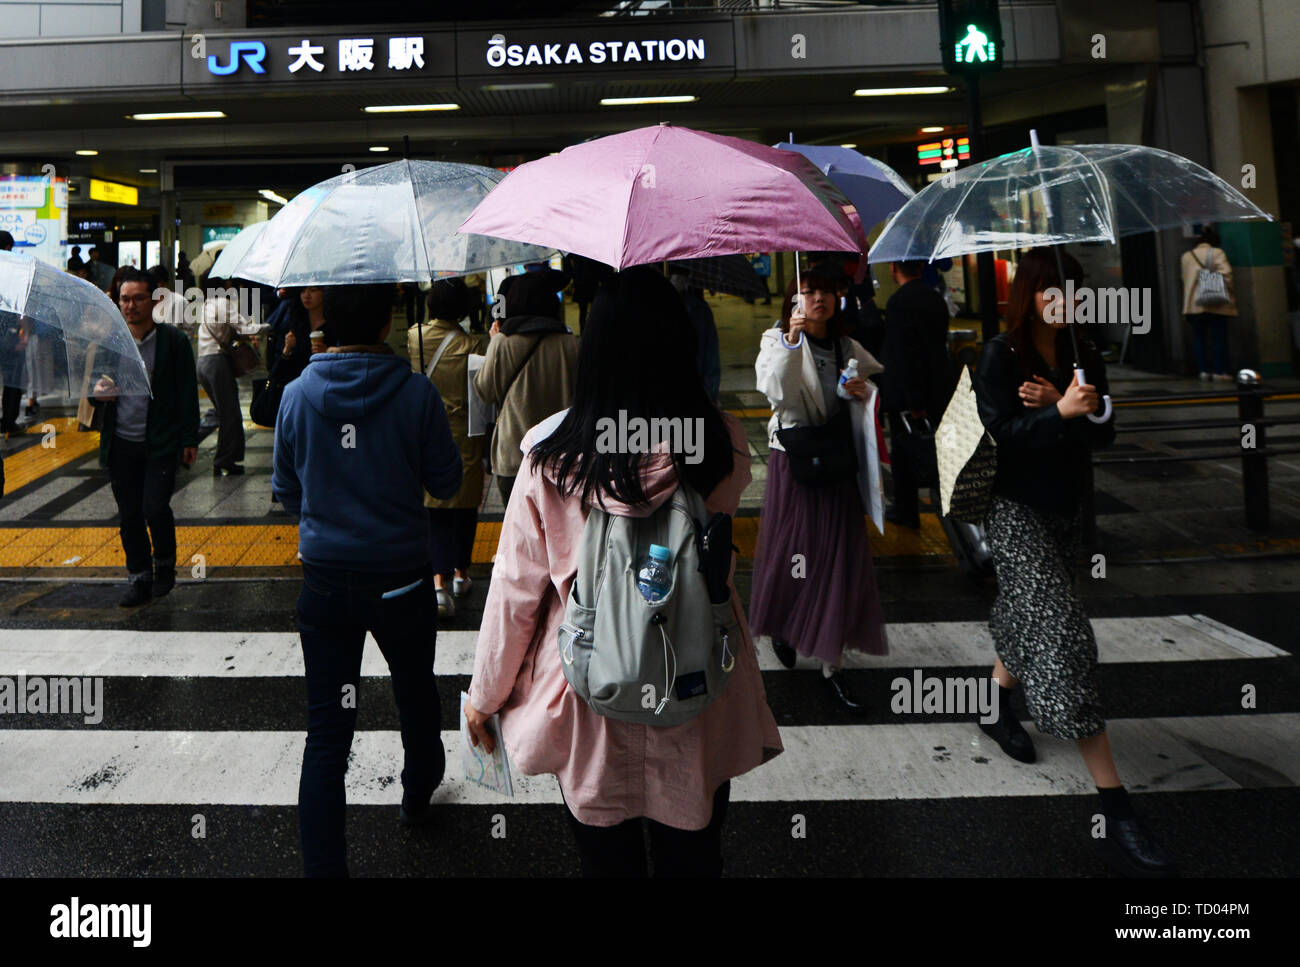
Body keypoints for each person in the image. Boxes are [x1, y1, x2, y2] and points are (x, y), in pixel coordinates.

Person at [464, 267, 782, 878]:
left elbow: (515, 591)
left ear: (595, 353)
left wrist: (486, 695)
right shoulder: (720, 444)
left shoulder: (550, 456)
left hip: (589, 693)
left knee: (606, 866)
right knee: (694, 858)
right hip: (693, 680)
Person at [973, 247, 1173, 877]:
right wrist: (1055, 413)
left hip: (1068, 510)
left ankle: (995, 703)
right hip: (1013, 510)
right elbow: (998, 434)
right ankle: (1115, 805)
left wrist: (1069, 403)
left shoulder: (1084, 352)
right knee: (1062, 633)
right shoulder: (1000, 355)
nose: (1065, 303)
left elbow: (1105, 430)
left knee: (1026, 607)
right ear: (1028, 294)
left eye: (1074, 292)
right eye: (1054, 292)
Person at [273, 283, 461, 877]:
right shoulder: (415, 392)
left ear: (325, 321)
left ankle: (325, 870)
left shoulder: (299, 394)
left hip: (326, 582)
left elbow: (285, 493)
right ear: (387, 325)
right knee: (414, 690)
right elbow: (448, 481)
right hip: (403, 578)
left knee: (328, 730)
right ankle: (418, 792)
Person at [750, 269, 887, 711]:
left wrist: (863, 392)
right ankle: (784, 625)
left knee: (836, 559)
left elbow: (874, 383)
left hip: (837, 462)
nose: (818, 299)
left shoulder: (846, 345)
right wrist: (791, 345)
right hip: (795, 460)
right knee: (794, 552)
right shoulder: (777, 341)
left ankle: (833, 663)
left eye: (824, 290)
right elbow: (777, 392)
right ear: (793, 301)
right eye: (807, 292)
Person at [89, 268, 199, 607]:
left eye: (137, 298)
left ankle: (164, 564)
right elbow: (94, 389)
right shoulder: (112, 341)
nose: (130, 306)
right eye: (124, 299)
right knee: (130, 514)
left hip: (161, 442)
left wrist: (189, 438)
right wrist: (99, 392)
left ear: (154, 300)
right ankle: (139, 576)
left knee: (154, 507)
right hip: (121, 443)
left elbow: (186, 393)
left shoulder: (174, 342)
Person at [408, 279, 486, 620]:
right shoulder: (473, 344)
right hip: (465, 435)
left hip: (426, 432)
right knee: (465, 509)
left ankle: (437, 583)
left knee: (434, 512)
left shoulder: (414, 337)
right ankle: (461, 575)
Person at [472, 268, 578, 506]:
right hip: (561, 457)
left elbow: (484, 392)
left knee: (517, 539)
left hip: (513, 457)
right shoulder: (570, 344)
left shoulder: (502, 343)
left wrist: (493, 344)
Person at [881, 260, 953, 529]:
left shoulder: (898, 303)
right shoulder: (935, 299)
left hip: (908, 393)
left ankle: (906, 509)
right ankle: (945, 504)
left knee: (903, 452)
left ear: (893, 269)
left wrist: (913, 400)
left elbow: (905, 354)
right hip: (938, 386)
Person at [197, 277, 263, 476]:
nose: (231, 288)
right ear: (223, 288)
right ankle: (224, 459)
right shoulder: (223, 303)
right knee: (230, 413)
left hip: (203, 362)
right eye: (228, 286)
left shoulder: (208, 305)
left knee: (222, 411)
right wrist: (267, 328)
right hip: (217, 362)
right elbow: (244, 327)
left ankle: (224, 458)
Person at [1181, 226, 1236, 381]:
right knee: (1219, 337)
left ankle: (1204, 370)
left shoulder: (1186, 256)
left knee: (1199, 338)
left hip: (1192, 304)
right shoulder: (1217, 253)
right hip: (1214, 301)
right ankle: (1219, 371)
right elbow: (1227, 275)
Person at [668, 265, 721, 401]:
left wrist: (708, 400)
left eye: (680, 273)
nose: (676, 279)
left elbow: (711, 363)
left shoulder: (699, 312)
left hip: (695, 398)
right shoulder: (649, 311)